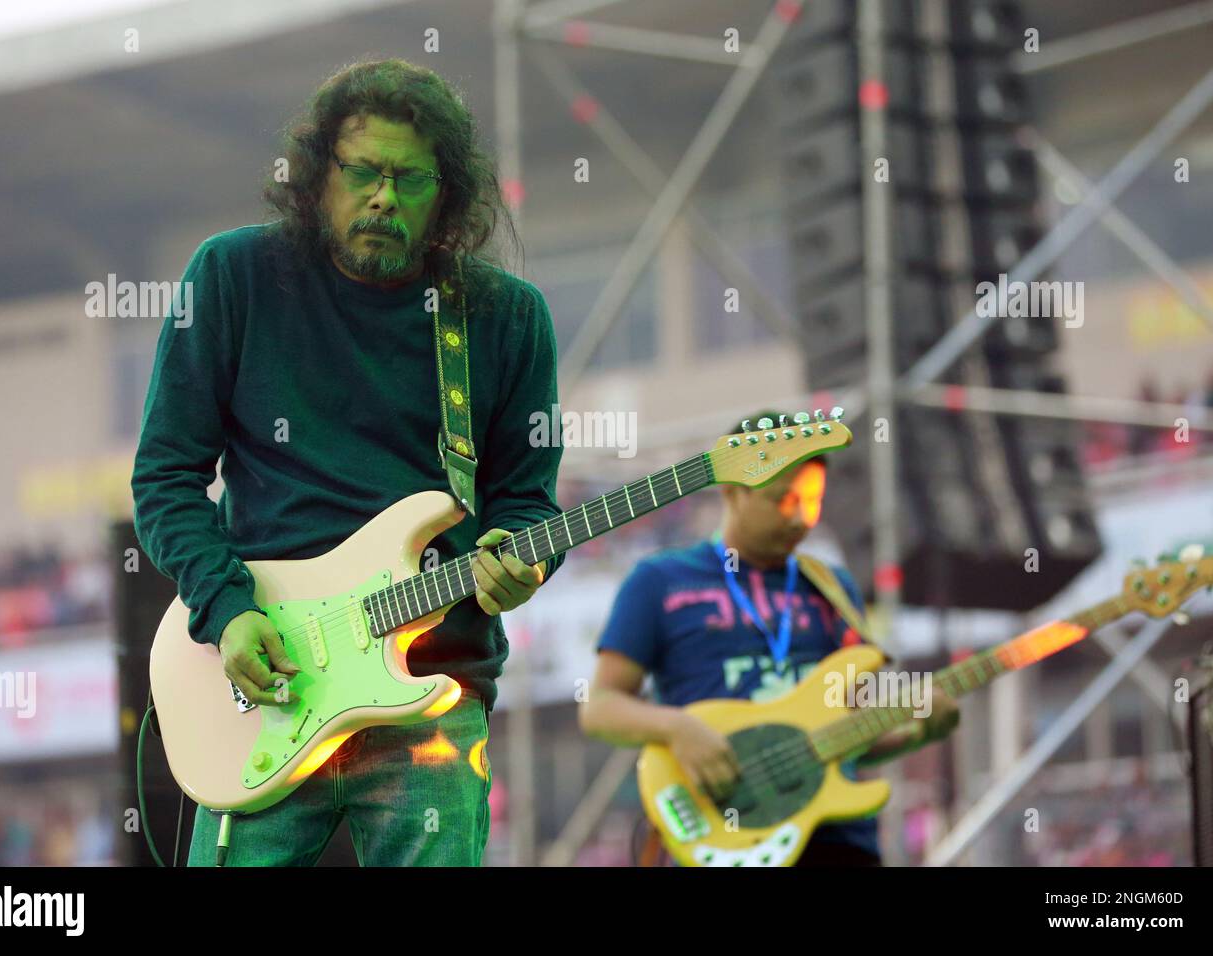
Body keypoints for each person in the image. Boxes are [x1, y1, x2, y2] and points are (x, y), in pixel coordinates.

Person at [131, 58, 564, 866]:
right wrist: (227, 611)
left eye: (410, 180)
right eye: (362, 171)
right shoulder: (234, 277)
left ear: (448, 194)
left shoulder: (505, 318)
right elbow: (164, 476)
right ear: (315, 173)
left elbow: (527, 505)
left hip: (432, 687)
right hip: (271, 678)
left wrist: (522, 566)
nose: (383, 198)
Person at [579, 410, 959, 866]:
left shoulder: (832, 587)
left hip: (837, 842)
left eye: (812, 500)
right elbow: (600, 707)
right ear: (732, 490)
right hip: (728, 839)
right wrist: (676, 729)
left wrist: (914, 729)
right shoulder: (659, 580)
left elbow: (846, 737)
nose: (800, 518)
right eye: (783, 499)